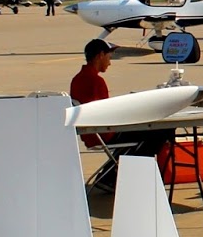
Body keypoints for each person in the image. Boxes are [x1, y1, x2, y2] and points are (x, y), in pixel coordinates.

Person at [69, 38, 170, 185]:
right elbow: (107, 114)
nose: (110, 63)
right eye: (109, 58)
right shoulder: (96, 82)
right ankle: (130, 175)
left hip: (91, 133)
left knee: (148, 132)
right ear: (100, 56)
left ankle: (111, 174)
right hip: (103, 133)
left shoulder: (78, 79)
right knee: (160, 131)